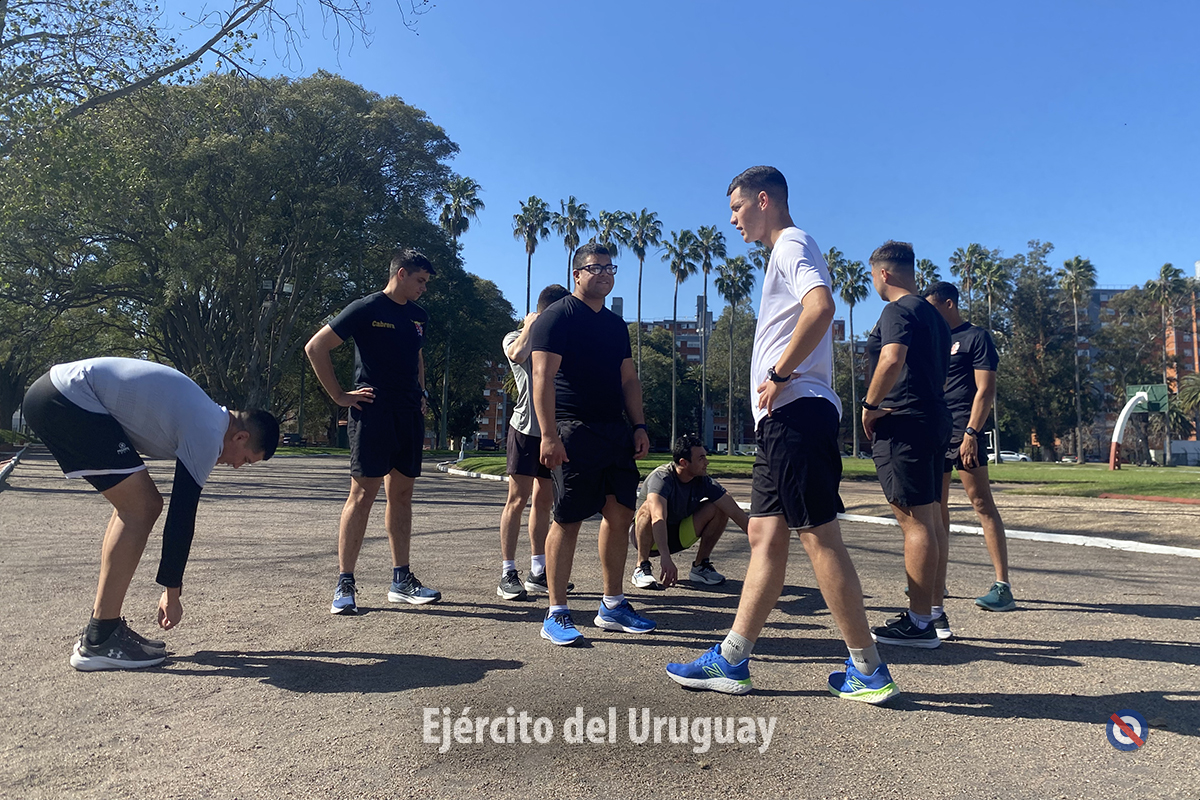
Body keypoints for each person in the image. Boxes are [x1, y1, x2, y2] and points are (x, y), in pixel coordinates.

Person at [666, 166, 898, 704]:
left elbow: (821, 308)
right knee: (764, 537)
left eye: (737, 208)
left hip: (797, 414)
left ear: (764, 200)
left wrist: (779, 374)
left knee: (819, 536)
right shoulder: (785, 250)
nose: (733, 220)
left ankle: (868, 668)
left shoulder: (792, 242)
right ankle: (732, 659)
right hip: (784, 422)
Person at [22, 357, 279, 671]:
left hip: (56, 393)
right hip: (68, 398)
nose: (238, 466)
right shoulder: (208, 432)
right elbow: (182, 517)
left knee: (138, 506)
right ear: (241, 437)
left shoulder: (207, 415)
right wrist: (173, 594)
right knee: (142, 507)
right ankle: (102, 637)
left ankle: (101, 629)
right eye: (247, 460)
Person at [530, 242, 655, 645]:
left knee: (619, 516)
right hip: (572, 429)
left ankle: (612, 604)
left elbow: (629, 380)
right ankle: (557, 612)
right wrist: (548, 435)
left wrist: (638, 425)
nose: (603, 272)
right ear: (577, 275)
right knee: (567, 520)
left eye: (608, 267)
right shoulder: (557, 317)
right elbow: (542, 378)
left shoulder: (616, 326)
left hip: (614, 431)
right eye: (594, 267)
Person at [305, 248, 439, 614]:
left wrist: (422, 392)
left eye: (426, 282)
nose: (423, 288)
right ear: (400, 274)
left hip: (408, 414)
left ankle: (401, 580)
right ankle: (345, 583)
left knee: (402, 496)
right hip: (373, 413)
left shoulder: (418, 316)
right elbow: (316, 347)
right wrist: (339, 396)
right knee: (363, 495)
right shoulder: (366, 308)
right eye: (420, 281)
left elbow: (418, 356)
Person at [862, 241, 953, 647]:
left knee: (914, 522)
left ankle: (918, 624)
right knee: (929, 518)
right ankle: (929, 611)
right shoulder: (935, 316)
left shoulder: (896, 310)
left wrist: (870, 404)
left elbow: (892, 357)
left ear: (884, 273)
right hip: (934, 418)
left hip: (904, 422)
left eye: (872, 276)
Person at [923, 281, 1016, 612]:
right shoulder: (935, 341)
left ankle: (1002, 586)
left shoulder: (976, 337)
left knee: (981, 502)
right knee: (937, 509)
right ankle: (937, 583)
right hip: (936, 432)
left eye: (933, 308)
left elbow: (985, 390)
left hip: (966, 432)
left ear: (949, 304)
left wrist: (972, 432)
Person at [497, 283, 572, 601]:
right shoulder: (516, 337)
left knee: (544, 502)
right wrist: (532, 325)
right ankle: (507, 573)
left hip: (552, 433)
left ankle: (538, 572)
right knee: (517, 499)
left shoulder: (562, 342)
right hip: (525, 429)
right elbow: (517, 354)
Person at [630, 433, 750, 589]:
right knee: (648, 508)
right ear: (684, 462)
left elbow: (735, 512)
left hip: (678, 535)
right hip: (649, 538)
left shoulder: (703, 480)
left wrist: (763, 543)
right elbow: (658, 518)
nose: (706, 462)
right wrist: (665, 558)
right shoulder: (662, 478)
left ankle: (700, 567)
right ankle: (641, 566)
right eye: (701, 458)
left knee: (719, 507)